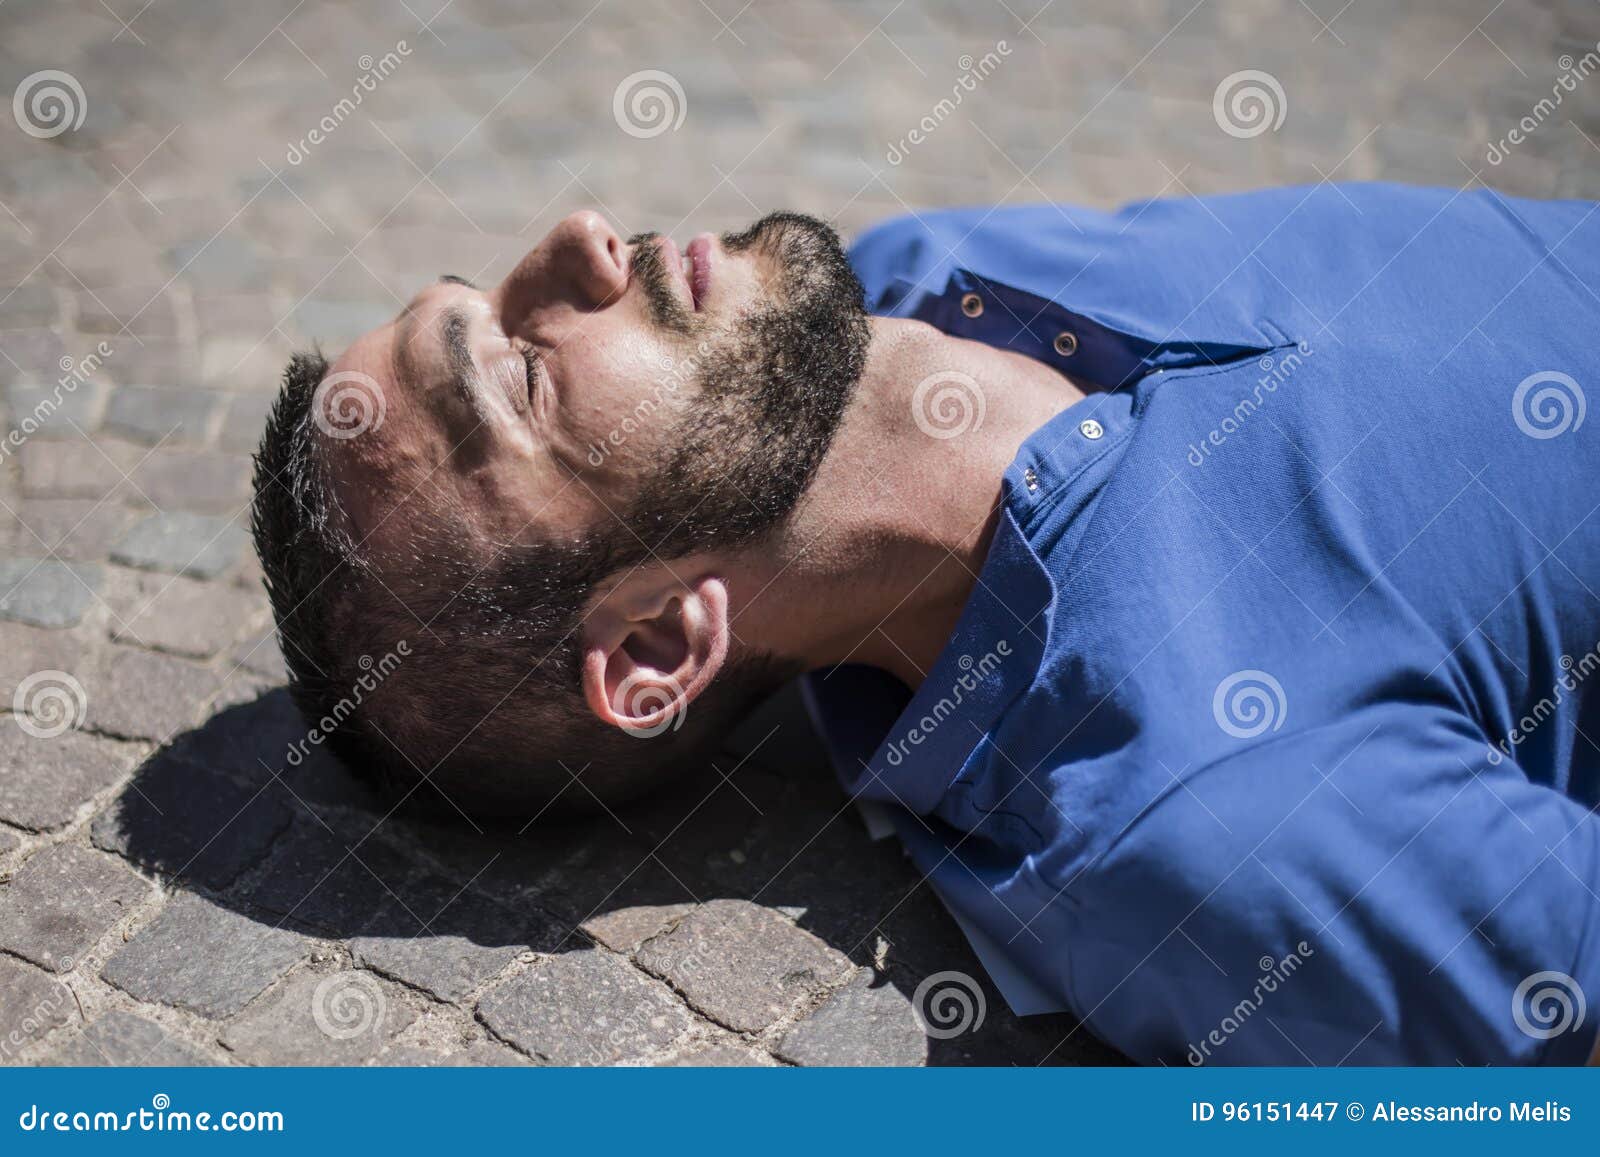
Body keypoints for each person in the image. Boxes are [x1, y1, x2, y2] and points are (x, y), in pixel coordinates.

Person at [251, 185, 1600, 1065]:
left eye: (482, 292)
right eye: (522, 374)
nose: (579, 236)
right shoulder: (1199, 809)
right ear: (660, 645)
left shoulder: (918, 269)